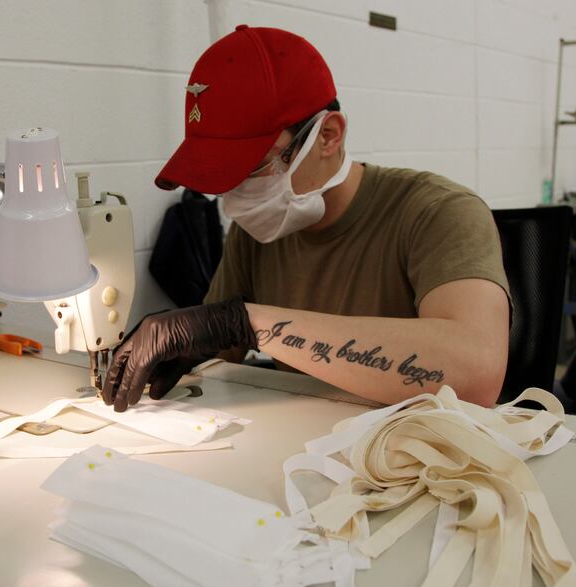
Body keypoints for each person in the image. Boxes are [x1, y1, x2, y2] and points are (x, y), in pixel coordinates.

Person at [102, 26, 510, 412]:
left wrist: (249, 323)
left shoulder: (438, 211)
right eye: (222, 179)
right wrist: (174, 346)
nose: (235, 198)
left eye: (251, 169)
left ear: (328, 136)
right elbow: (220, 349)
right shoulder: (258, 229)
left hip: (417, 455)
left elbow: (476, 372)